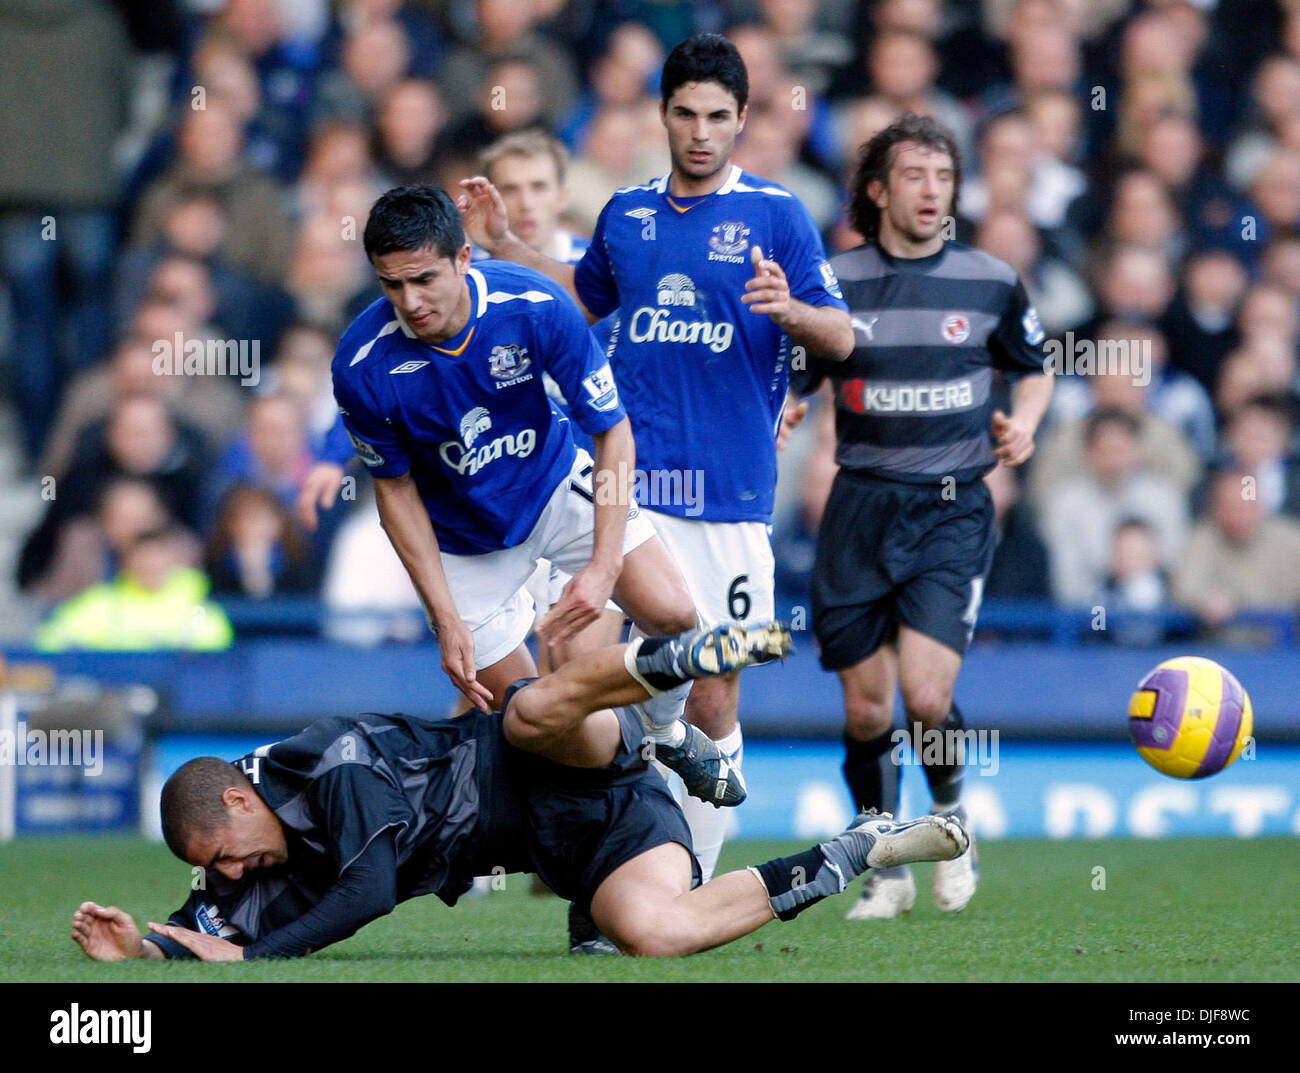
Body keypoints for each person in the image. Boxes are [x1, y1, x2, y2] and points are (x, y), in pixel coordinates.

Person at [458, 32, 854, 882]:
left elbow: (843, 334)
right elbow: (580, 291)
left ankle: (689, 887)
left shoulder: (777, 215)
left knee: (713, 696)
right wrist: (504, 246)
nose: (702, 132)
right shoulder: (627, 216)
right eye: (685, 114)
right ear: (662, 115)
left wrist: (790, 312)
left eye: (718, 116)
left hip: (731, 496)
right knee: (591, 680)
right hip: (627, 490)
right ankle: (598, 878)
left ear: (743, 118)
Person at [70, 622, 970, 961]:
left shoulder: (334, 763)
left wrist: (252, 962)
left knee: (529, 707)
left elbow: (368, 890)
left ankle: (665, 690)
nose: (232, 875)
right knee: (654, 933)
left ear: (237, 802)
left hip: (548, 759)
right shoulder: (244, 830)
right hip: (584, 839)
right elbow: (216, 916)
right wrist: (149, 947)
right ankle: (862, 846)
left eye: (227, 857)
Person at [327, 186, 737, 846]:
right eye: (392, 286)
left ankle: (665, 734)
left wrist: (603, 565)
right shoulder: (362, 364)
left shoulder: (535, 305)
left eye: (424, 279)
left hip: (551, 487)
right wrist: (445, 617)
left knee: (673, 613)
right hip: (463, 543)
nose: (410, 302)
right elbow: (395, 493)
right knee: (549, 724)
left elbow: (612, 432)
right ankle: (613, 841)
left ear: (465, 258)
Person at [800, 112, 1053, 920]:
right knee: (867, 709)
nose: (932, 192)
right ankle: (886, 867)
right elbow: (795, 371)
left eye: (943, 178)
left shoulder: (989, 279)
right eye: (914, 176)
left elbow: (1036, 367)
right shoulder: (834, 282)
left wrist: (1027, 422)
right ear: (877, 190)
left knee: (925, 694)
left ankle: (952, 820)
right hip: (859, 506)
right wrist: (785, 409)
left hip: (950, 509)